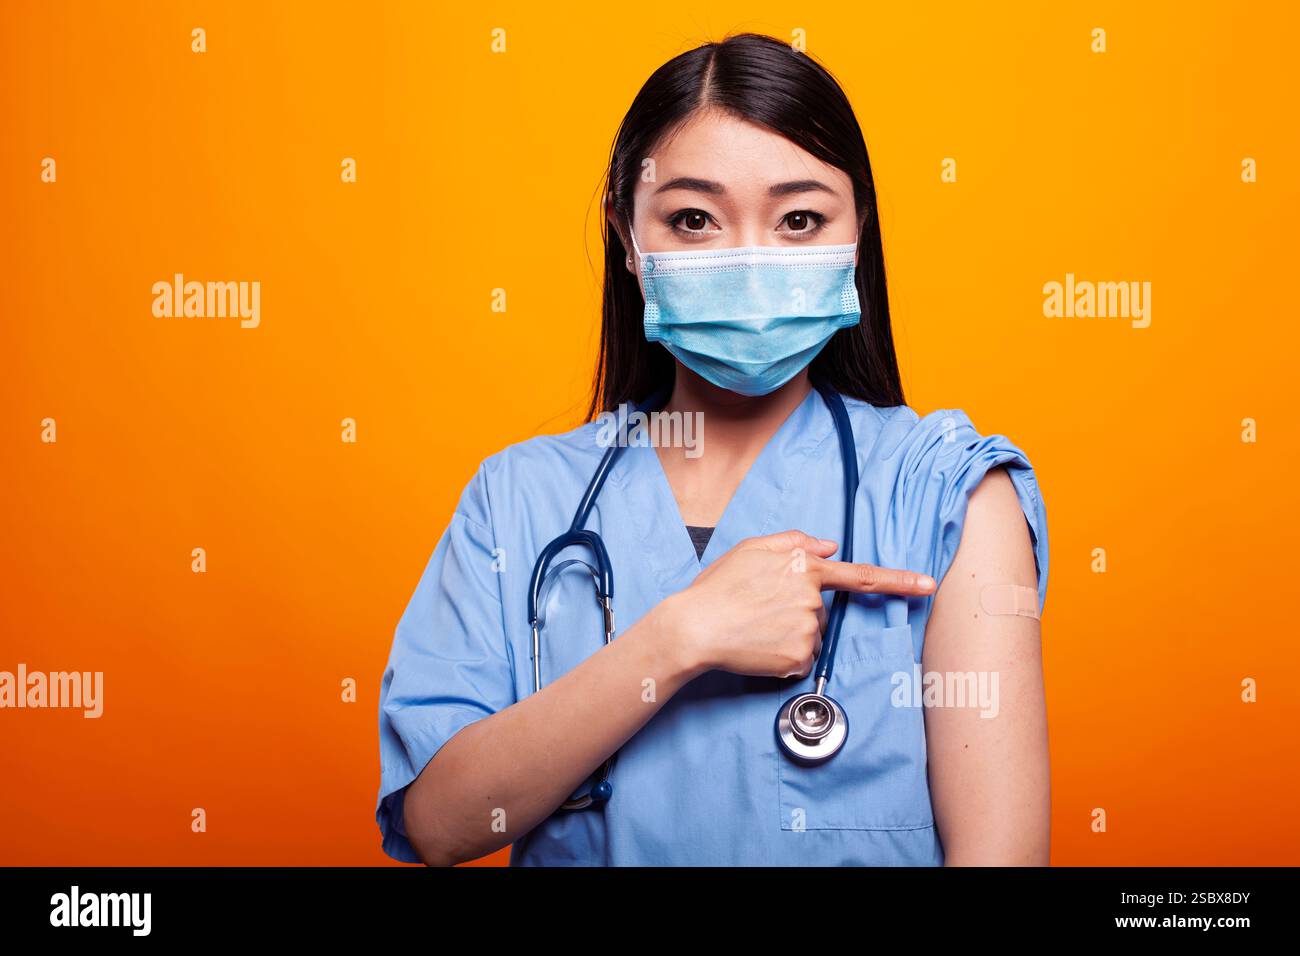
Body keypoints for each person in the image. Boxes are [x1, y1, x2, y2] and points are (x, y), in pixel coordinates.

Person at [376, 33, 1050, 866]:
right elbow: (441, 827)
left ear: (857, 237)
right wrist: (680, 637)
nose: (751, 262)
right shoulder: (518, 498)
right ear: (628, 239)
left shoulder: (948, 496)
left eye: (800, 219)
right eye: (694, 219)